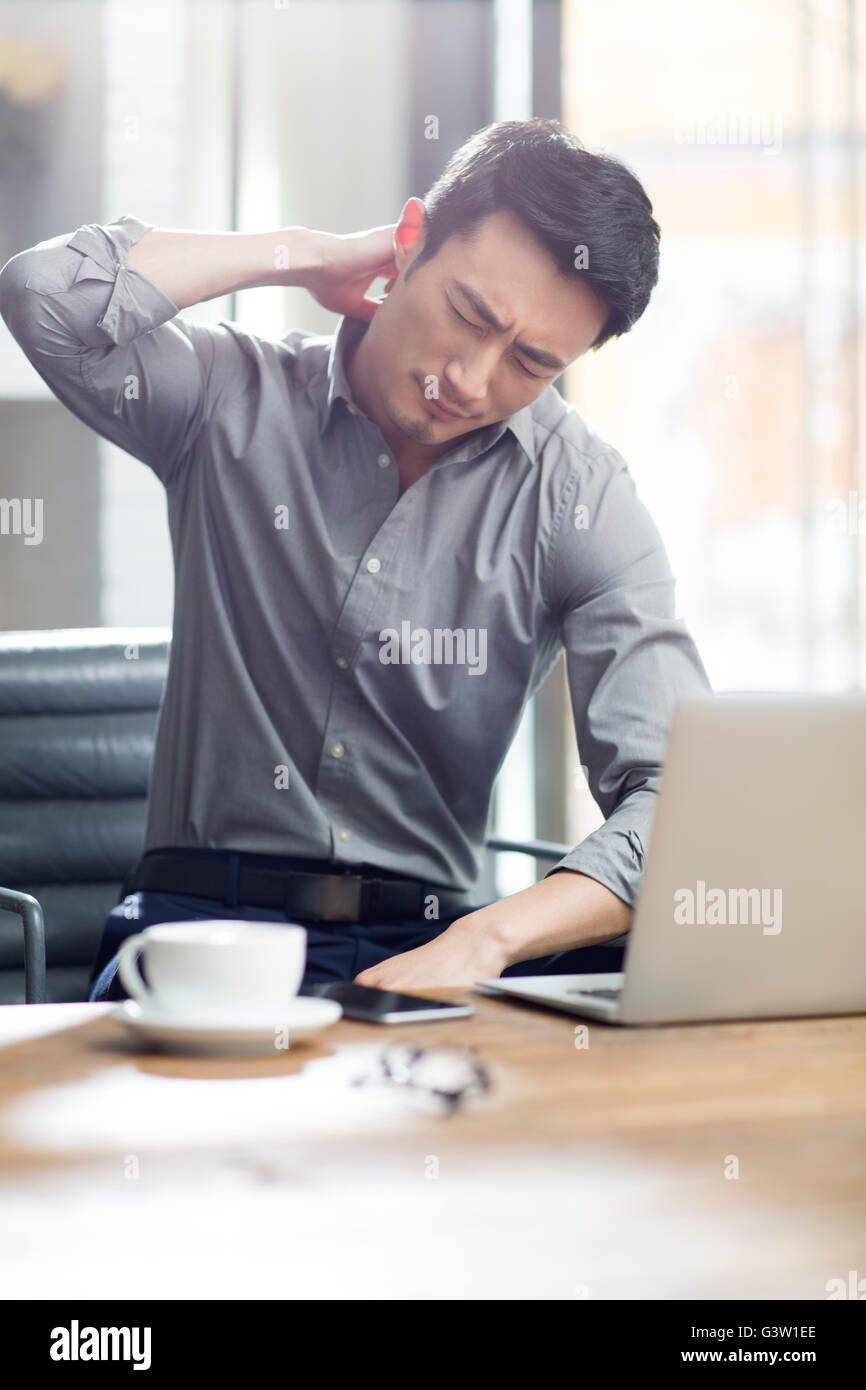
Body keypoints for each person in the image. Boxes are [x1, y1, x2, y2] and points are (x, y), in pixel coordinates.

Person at [0, 117, 711, 1003]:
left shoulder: (578, 495)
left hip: (432, 950)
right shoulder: (224, 398)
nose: (473, 378)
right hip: (201, 936)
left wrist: (492, 937)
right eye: (470, 314)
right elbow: (44, 295)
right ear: (410, 243)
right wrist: (306, 255)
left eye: (531, 362)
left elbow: (682, 804)